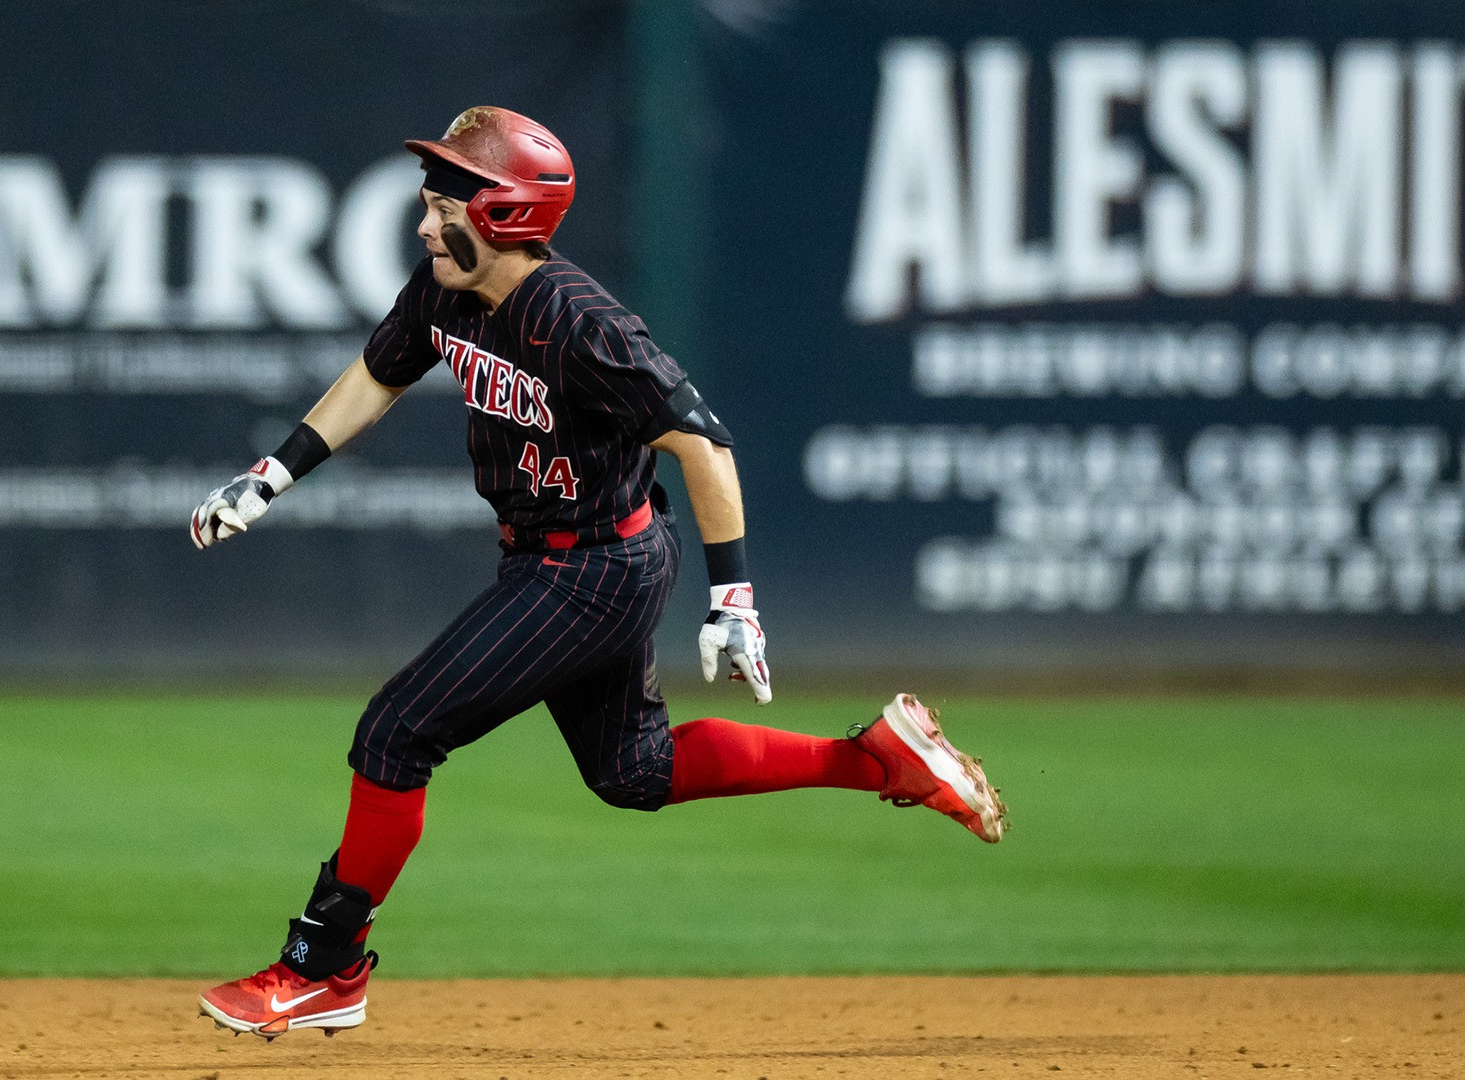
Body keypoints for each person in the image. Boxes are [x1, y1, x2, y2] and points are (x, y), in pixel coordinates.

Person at [190, 106, 1006, 1041]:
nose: (425, 223)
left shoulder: (581, 324)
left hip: (593, 569)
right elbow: (377, 375)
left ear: (500, 215)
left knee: (395, 734)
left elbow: (704, 446)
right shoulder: (447, 290)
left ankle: (323, 970)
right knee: (634, 771)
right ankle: (874, 760)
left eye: (443, 204)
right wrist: (274, 472)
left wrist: (733, 597)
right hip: (568, 557)